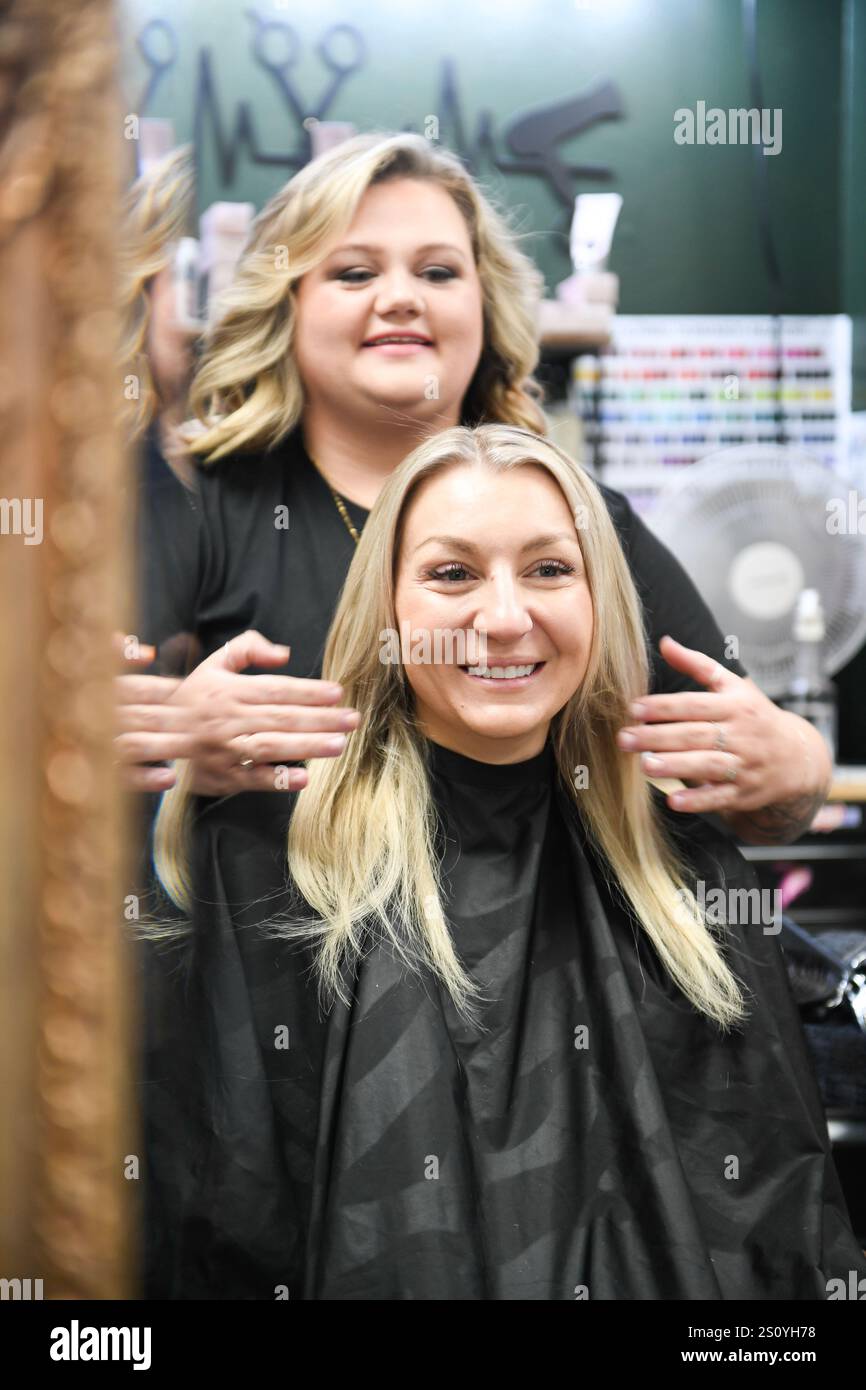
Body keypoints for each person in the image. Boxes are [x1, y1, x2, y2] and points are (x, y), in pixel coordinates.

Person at [140, 424, 865, 1300]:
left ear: (602, 603)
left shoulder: (684, 874)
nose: (506, 618)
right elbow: (226, 1225)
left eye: (551, 570)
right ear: (388, 612)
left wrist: (806, 764)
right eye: (452, 573)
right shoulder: (271, 864)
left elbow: (781, 1246)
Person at [119, 131, 831, 842]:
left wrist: (799, 766)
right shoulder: (199, 509)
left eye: (437, 273)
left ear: (486, 307)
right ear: (288, 306)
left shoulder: (584, 521)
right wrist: (166, 746)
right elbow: (57, 745)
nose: (400, 298)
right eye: (354, 274)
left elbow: (756, 803)